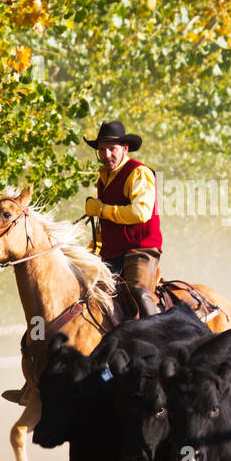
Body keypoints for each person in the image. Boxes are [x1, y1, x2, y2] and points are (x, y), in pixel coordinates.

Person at [83, 120, 162, 318]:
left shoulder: (139, 173)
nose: (106, 155)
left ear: (125, 149)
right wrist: (94, 247)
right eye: (102, 150)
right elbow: (107, 223)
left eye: (112, 149)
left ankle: (158, 337)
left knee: (139, 293)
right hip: (111, 253)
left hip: (139, 249)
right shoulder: (104, 178)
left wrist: (101, 210)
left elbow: (140, 213)